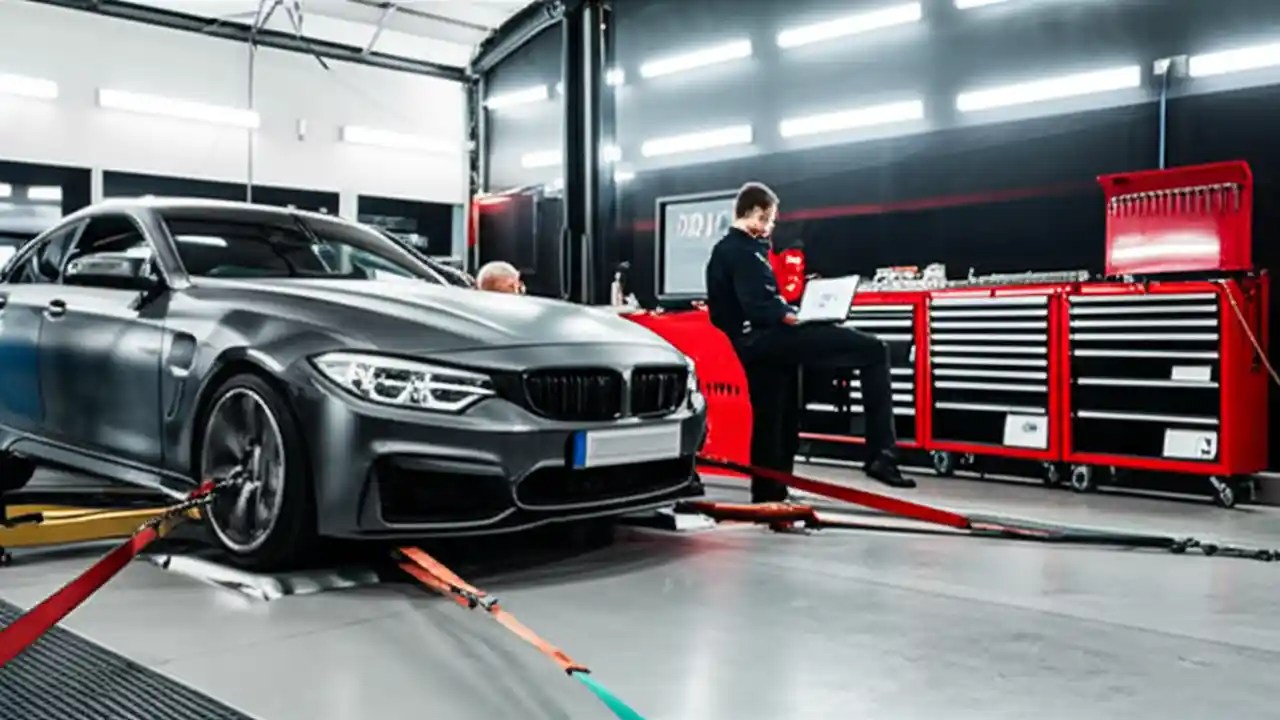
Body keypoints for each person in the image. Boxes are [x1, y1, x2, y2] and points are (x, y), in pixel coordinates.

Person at [704, 181, 913, 501]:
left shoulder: (733, 250)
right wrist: (794, 317)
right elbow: (760, 305)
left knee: (774, 414)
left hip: (752, 345)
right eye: (770, 218)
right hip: (766, 338)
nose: (772, 226)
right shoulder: (741, 250)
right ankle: (880, 456)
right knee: (873, 349)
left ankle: (770, 490)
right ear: (756, 215)